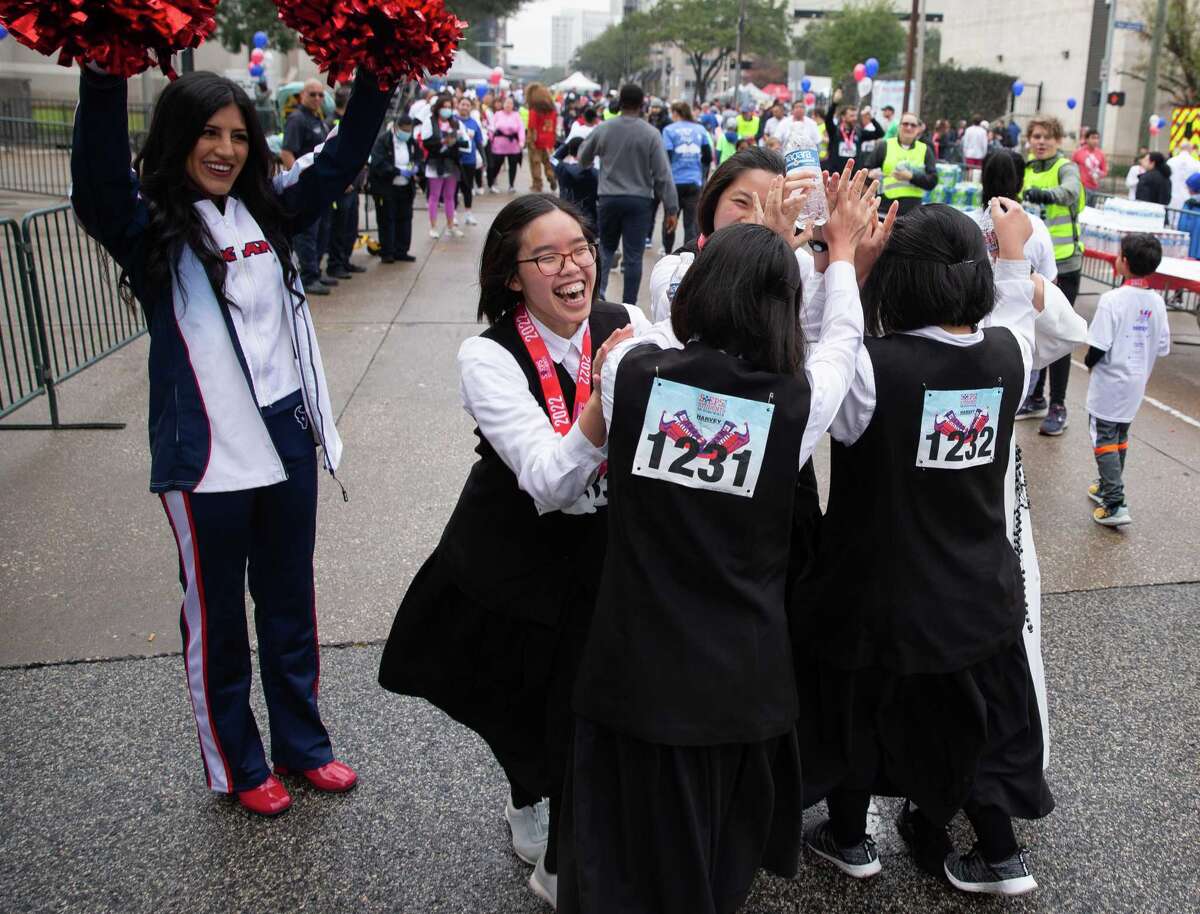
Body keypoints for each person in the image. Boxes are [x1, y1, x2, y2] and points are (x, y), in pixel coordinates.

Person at [71, 61, 391, 816]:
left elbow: (345, 156)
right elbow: (94, 182)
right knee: (216, 620)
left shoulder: (270, 212)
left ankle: (303, 746)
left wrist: (380, 67)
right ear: (178, 139)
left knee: (288, 602)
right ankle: (236, 762)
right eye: (208, 134)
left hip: (286, 436)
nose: (225, 149)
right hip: (206, 453)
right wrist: (105, 66)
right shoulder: (147, 227)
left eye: (238, 135)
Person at [557, 169, 881, 914]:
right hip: (738, 677)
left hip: (630, 667)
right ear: (781, 309)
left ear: (692, 290)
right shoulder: (795, 408)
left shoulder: (629, 370)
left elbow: (673, 333)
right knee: (710, 855)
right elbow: (840, 338)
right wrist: (835, 251)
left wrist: (755, 244)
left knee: (623, 853)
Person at [378, 194, 652, 908]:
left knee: (583, 701)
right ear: (512, 274)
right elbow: (547, 479)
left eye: (581, 249)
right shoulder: (488, 355)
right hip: (515, 555)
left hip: (602, 553)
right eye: (549, 256)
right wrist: (607, 387)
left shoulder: (628, 324)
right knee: (518, 696)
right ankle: (529, 792)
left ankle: (570, 843)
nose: (573, 267)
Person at [797, 199, 1053, 896]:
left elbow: (824, 349)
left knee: (859, 713)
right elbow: (1011, 311)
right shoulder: (1011, 356)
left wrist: (845, 262)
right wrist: (1010, 253)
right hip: (975, 589)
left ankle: (848, 838)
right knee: (976, 725)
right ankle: (1000, 855)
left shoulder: (871, 369)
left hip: (875, 590)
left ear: (897, 281)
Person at [1084, 233, 1172, 527]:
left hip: (1109, 384)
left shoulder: (1112, 300)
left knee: (1104, 439)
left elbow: (1098, 345)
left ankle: (1115, 501)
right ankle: (1108, 484)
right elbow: (1162, 346)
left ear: (1124, 261)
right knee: (1119, 437)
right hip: (1136, 383)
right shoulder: (1157, 303)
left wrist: (1087, 364)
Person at [578, 84, 678, 305]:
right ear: (642, 104)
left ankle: (599, 296)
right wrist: (672, 208)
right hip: (639, 201)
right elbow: (663, 174)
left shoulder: (605, 128)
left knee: (605, 248)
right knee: (633, 256)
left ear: (619, 103)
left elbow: (583, 157)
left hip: (609, 198)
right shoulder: (651, 133)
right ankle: (628, 305)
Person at [1019, 115, 1085, 434]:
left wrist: (1045, 196)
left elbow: (1070, 193)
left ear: (1058, 141)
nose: (1041, 142)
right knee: (1034, 331)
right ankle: (1035, 396)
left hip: (1065, 263)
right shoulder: (1026, 169)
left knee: (1059, 333)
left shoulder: (1066, 168)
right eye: (1036, 137)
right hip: (1034, 266)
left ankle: (1058, 403)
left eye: (1047, 137)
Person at [282, 79, 335, 295]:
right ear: (302, 95)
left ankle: (315, 270)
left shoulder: (318, 119)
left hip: (320, 185)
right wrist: (297, 182)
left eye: (320, 95)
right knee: (307, 234)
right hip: (306, 186)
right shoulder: (297, 119)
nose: (317, 99)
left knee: (323, 230)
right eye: (312, 94)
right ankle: (308, 276)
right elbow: (287, 153)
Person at [971, 149, 1057, 280]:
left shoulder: (963, 223)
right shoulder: (1036, 227)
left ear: (983, 180)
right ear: (1021, 184)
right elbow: (1049, 283)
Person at [326, 85, 369, 281]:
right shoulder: (331, 123)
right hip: (341, 187)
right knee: (339, 227)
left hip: (354, 184)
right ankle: (335, 264)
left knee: (351, 227)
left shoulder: (352, 122)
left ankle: (345, 260)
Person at [416, 93, 470, 239]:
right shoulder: (430, 121)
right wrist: (443, 142)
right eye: (444, 107)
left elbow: (465, 141)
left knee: (450, 196)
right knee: (434, 195)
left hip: (451, 163)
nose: (447, 110)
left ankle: (451, 225)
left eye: (449, 107)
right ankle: (433, 226)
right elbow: (426, 141)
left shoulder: (455, 123)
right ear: (438, 108)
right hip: (436, 162)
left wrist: (456, 141)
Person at [863, 111, 937, 215]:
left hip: (913, 212)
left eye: (913, 125)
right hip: (885, 209)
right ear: (899, 127)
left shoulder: (925, 150)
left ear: (918, 129)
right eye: (905, 124)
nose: (909, 127)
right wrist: (870, 176)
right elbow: (865, 172)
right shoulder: (884, 146)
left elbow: (932, 181)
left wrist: (911, 177)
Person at [661, 101, 711, 254]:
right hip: (693, 181)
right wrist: (702, 175)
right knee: (691, 223)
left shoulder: (669, 130)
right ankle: (689, 255)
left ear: (676, 113)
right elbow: (707, 156)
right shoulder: (700, 129)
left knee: (670, 217)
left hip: (674, 182)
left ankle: (668, 252)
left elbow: (666, 156)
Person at [368, 114, 419, 263]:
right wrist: (397, 171)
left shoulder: (410, 142)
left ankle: (401, 250)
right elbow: (378, 163)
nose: (406, 133)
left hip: (405, 187)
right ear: (396, 128)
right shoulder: (383, 141)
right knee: (386, 220)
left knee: (405, 219)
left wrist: (415, 167)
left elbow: (418, 157)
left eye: (409, 130)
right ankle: (387, 251)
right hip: (386, 188)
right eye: (404, 130)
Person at [553, 136, 599, 229]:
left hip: (567, 214)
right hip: (589, 219)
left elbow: (553, 158)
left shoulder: (561, 168)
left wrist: (567, 145)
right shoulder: (595, 173)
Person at [455, 96, 486, 226]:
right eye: (463, 104)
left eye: (467, 105)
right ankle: (454, 214)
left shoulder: (474, 123)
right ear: (458, 106)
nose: (465, 107)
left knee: (468, 187)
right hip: (455, 160)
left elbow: (479, 143)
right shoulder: (453, 121)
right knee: (454, 188)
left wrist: (484, 160)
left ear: (471, 107)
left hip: (470, 160)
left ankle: (468, 214)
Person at [525, 83, 559, 194]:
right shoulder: (553, 111)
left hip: (536, 141)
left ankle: (537, 184)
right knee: (548, 163)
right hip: (549, 140)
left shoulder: (534, 111)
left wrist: (530, 141)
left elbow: (532, 127)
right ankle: (552, 177)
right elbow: (554, 126)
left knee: (535, 163)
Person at [488, 95, 525, 193]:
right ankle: (492, 182)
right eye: (507, 103)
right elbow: (491, 127)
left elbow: (521, 129)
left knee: (513, 165)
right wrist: (490, 139)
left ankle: (511, 185)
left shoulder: (516, 115)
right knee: (497, 164)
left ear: (513, 105)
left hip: (513, 145)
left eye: (510, 103)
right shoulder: (497, 114)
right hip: (499, 144)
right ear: (503, 104)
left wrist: (521, 141)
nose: (508, 105)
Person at [823, 91, 860, 175]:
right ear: (843, 117)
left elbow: (879, 133)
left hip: (852, 177)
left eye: (855, 116)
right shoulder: (835, 131)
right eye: (851, 116)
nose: (855, 118)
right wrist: (834, 103)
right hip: (834, 175)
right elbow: (828, 119)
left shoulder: (859, 132)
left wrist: (871, 118)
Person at [1072, 129, 1108, 206]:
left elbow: (1105, 171)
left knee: (1091, 212)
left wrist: (1098, 174)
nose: (1095, 141)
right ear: (1087, 139)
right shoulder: (1078, 152)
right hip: (1081, 187)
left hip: (1094, 188)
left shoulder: (1101, 154)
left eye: (1097, 138)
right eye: (1093, 138)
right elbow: (1071, 168)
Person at [1165, 140, 1199, 211]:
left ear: (1180, 148)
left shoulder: (1170, 161)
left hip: (1171, 195)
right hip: (1188, 198)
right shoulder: (1196, 163)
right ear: (1191, 149)